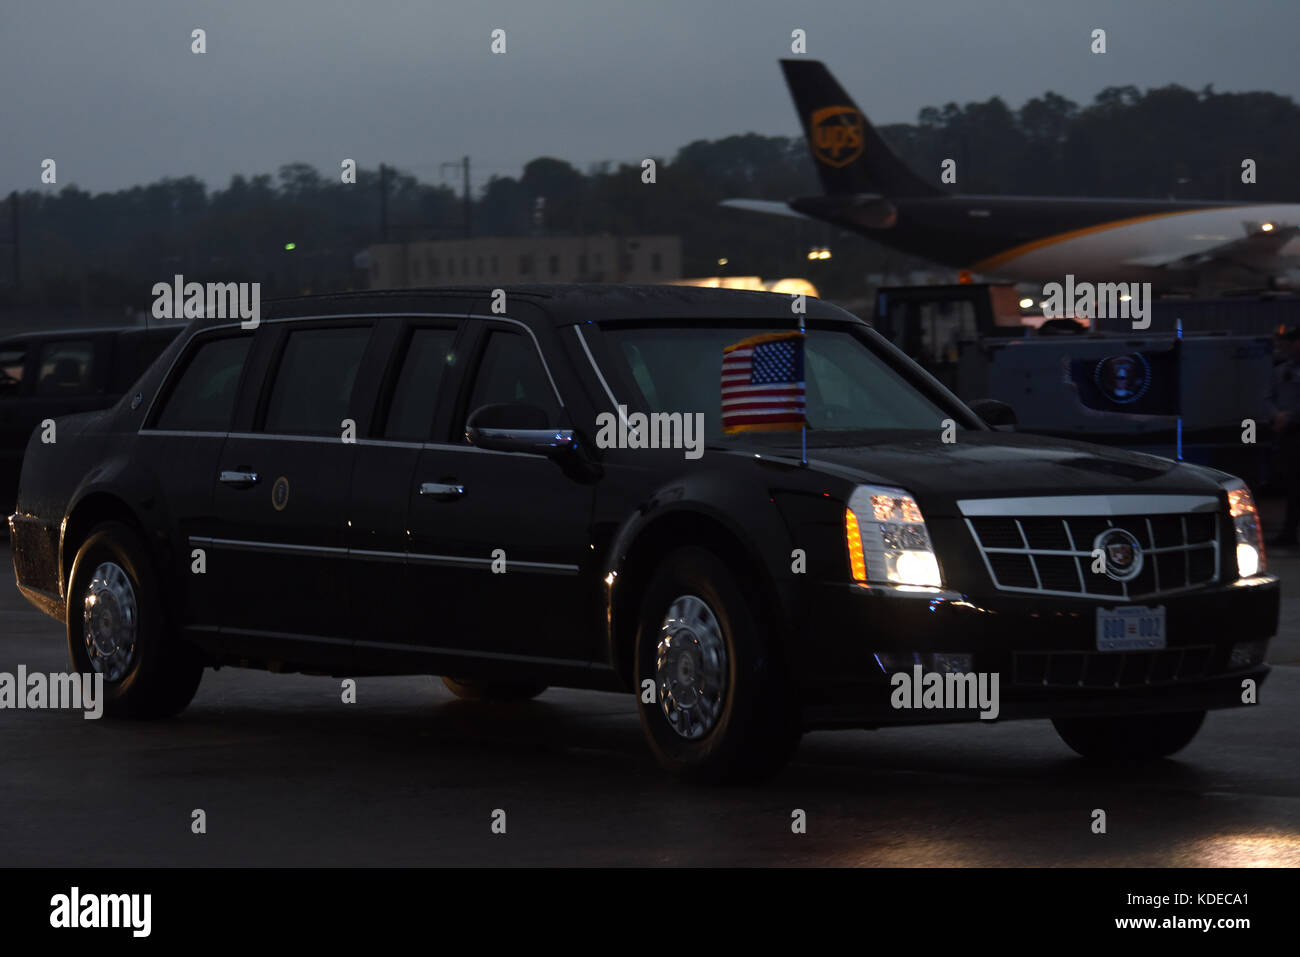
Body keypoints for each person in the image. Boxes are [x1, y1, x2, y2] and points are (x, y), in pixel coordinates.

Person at [1266, 326, 1300, 546]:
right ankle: (1289, 532)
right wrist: (1277, 415)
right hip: (1288, 434)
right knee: (1293, 484)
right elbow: (1267, 396)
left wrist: (1291, 417)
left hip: (1294, 426)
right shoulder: (1281, 371)